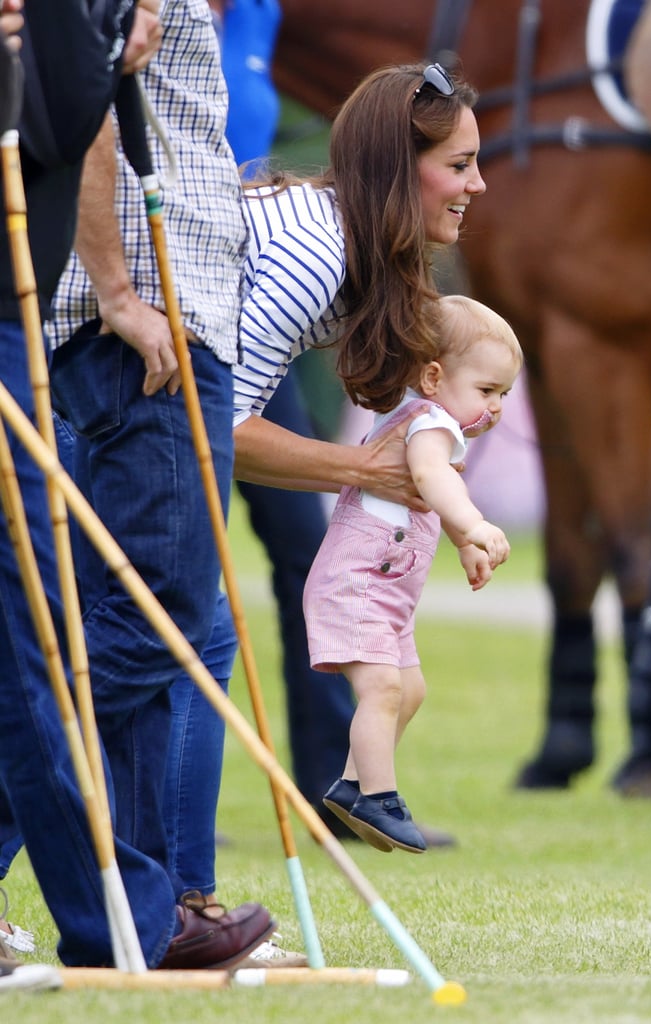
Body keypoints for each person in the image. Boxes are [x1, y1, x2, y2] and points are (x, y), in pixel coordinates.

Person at [0, 0, 273, 970]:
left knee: (155, 619)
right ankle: (127, 893)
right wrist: (117, 289)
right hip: (148, 312)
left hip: (167, 300)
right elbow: (87, 105)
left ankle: (152, 903)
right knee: (160, 608)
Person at [229, 60, 489, 841]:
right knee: (159, 642)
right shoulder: (317, 257)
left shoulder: (359, 250)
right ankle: (169, 902)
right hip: (79, 404)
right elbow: (210, 425)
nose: (477, 186)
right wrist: (359, 469)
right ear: (395, 172)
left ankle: (181, 897)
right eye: (459, 166)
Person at [207, 0, 359, 833]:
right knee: (184, 566)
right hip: (176, 307)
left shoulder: (260, 13)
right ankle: (154, 798)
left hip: (258, 306)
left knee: (305, 547)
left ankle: (333, 791)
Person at [305, 294, 523, 852]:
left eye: (504, 395)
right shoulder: (429, 423)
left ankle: (353, 785)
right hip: (360, 584)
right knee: (382, 686)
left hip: (387, 593)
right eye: (486, 390)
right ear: (432, 376)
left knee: (411, 690)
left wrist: (461, 543)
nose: (496, 408)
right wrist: (474, 524)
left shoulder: (425, 421)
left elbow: (429, 495)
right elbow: (432, 478)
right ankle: (376, 794)